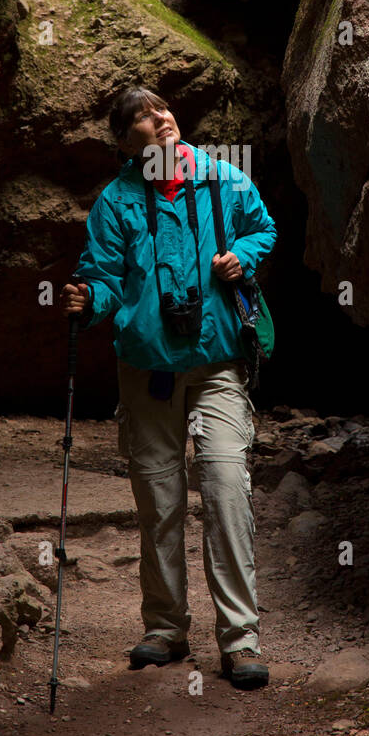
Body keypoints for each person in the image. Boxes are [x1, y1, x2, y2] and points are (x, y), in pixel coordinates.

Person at [61, 86, 277, 690]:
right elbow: (105, 277)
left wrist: (241, 256)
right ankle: (164, 628)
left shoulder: (223, 180)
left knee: (226, 488)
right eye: (143, 118)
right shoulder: (116, 202)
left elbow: (263, 229)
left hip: (217, 363)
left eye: (162, 110)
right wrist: (88, 299)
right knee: (159, 500)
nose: (160, 120)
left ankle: (240, 639)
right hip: (148, 370)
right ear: (123, 141)